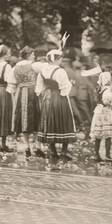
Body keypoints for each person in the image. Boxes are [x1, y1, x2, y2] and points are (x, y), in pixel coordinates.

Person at [34, 40, 77, 169]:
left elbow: (38, 88)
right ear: (57, 60)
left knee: (49, 121)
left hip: (47, 98)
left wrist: (45, 94)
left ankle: (52, 150)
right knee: (63, 121)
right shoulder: (60, 71)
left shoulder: (43, 71)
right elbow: (65, 90)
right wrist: (70, 85)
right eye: (60, 59)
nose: (61, 61)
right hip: (59, 98)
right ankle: (64, 150)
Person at [8, 46, 41, 156]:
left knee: (23, 119)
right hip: (32, 92)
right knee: (36, 117)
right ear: (28, 55)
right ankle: (37, 145)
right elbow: (46, 70)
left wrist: (14, 99)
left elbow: (11, 85)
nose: (34, 56)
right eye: (33, 54)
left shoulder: (15, 67)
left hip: (20, 92)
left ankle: (27, 145)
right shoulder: (34, 65)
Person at [89, 71, 112, 161]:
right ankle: (107, 155)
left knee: (98, 135)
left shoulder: (99, 89)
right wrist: (111, 101)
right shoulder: (107, 90)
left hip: (98, 111)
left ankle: (97, 155)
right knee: (108, 135)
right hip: (105, 112)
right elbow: (106, 101)